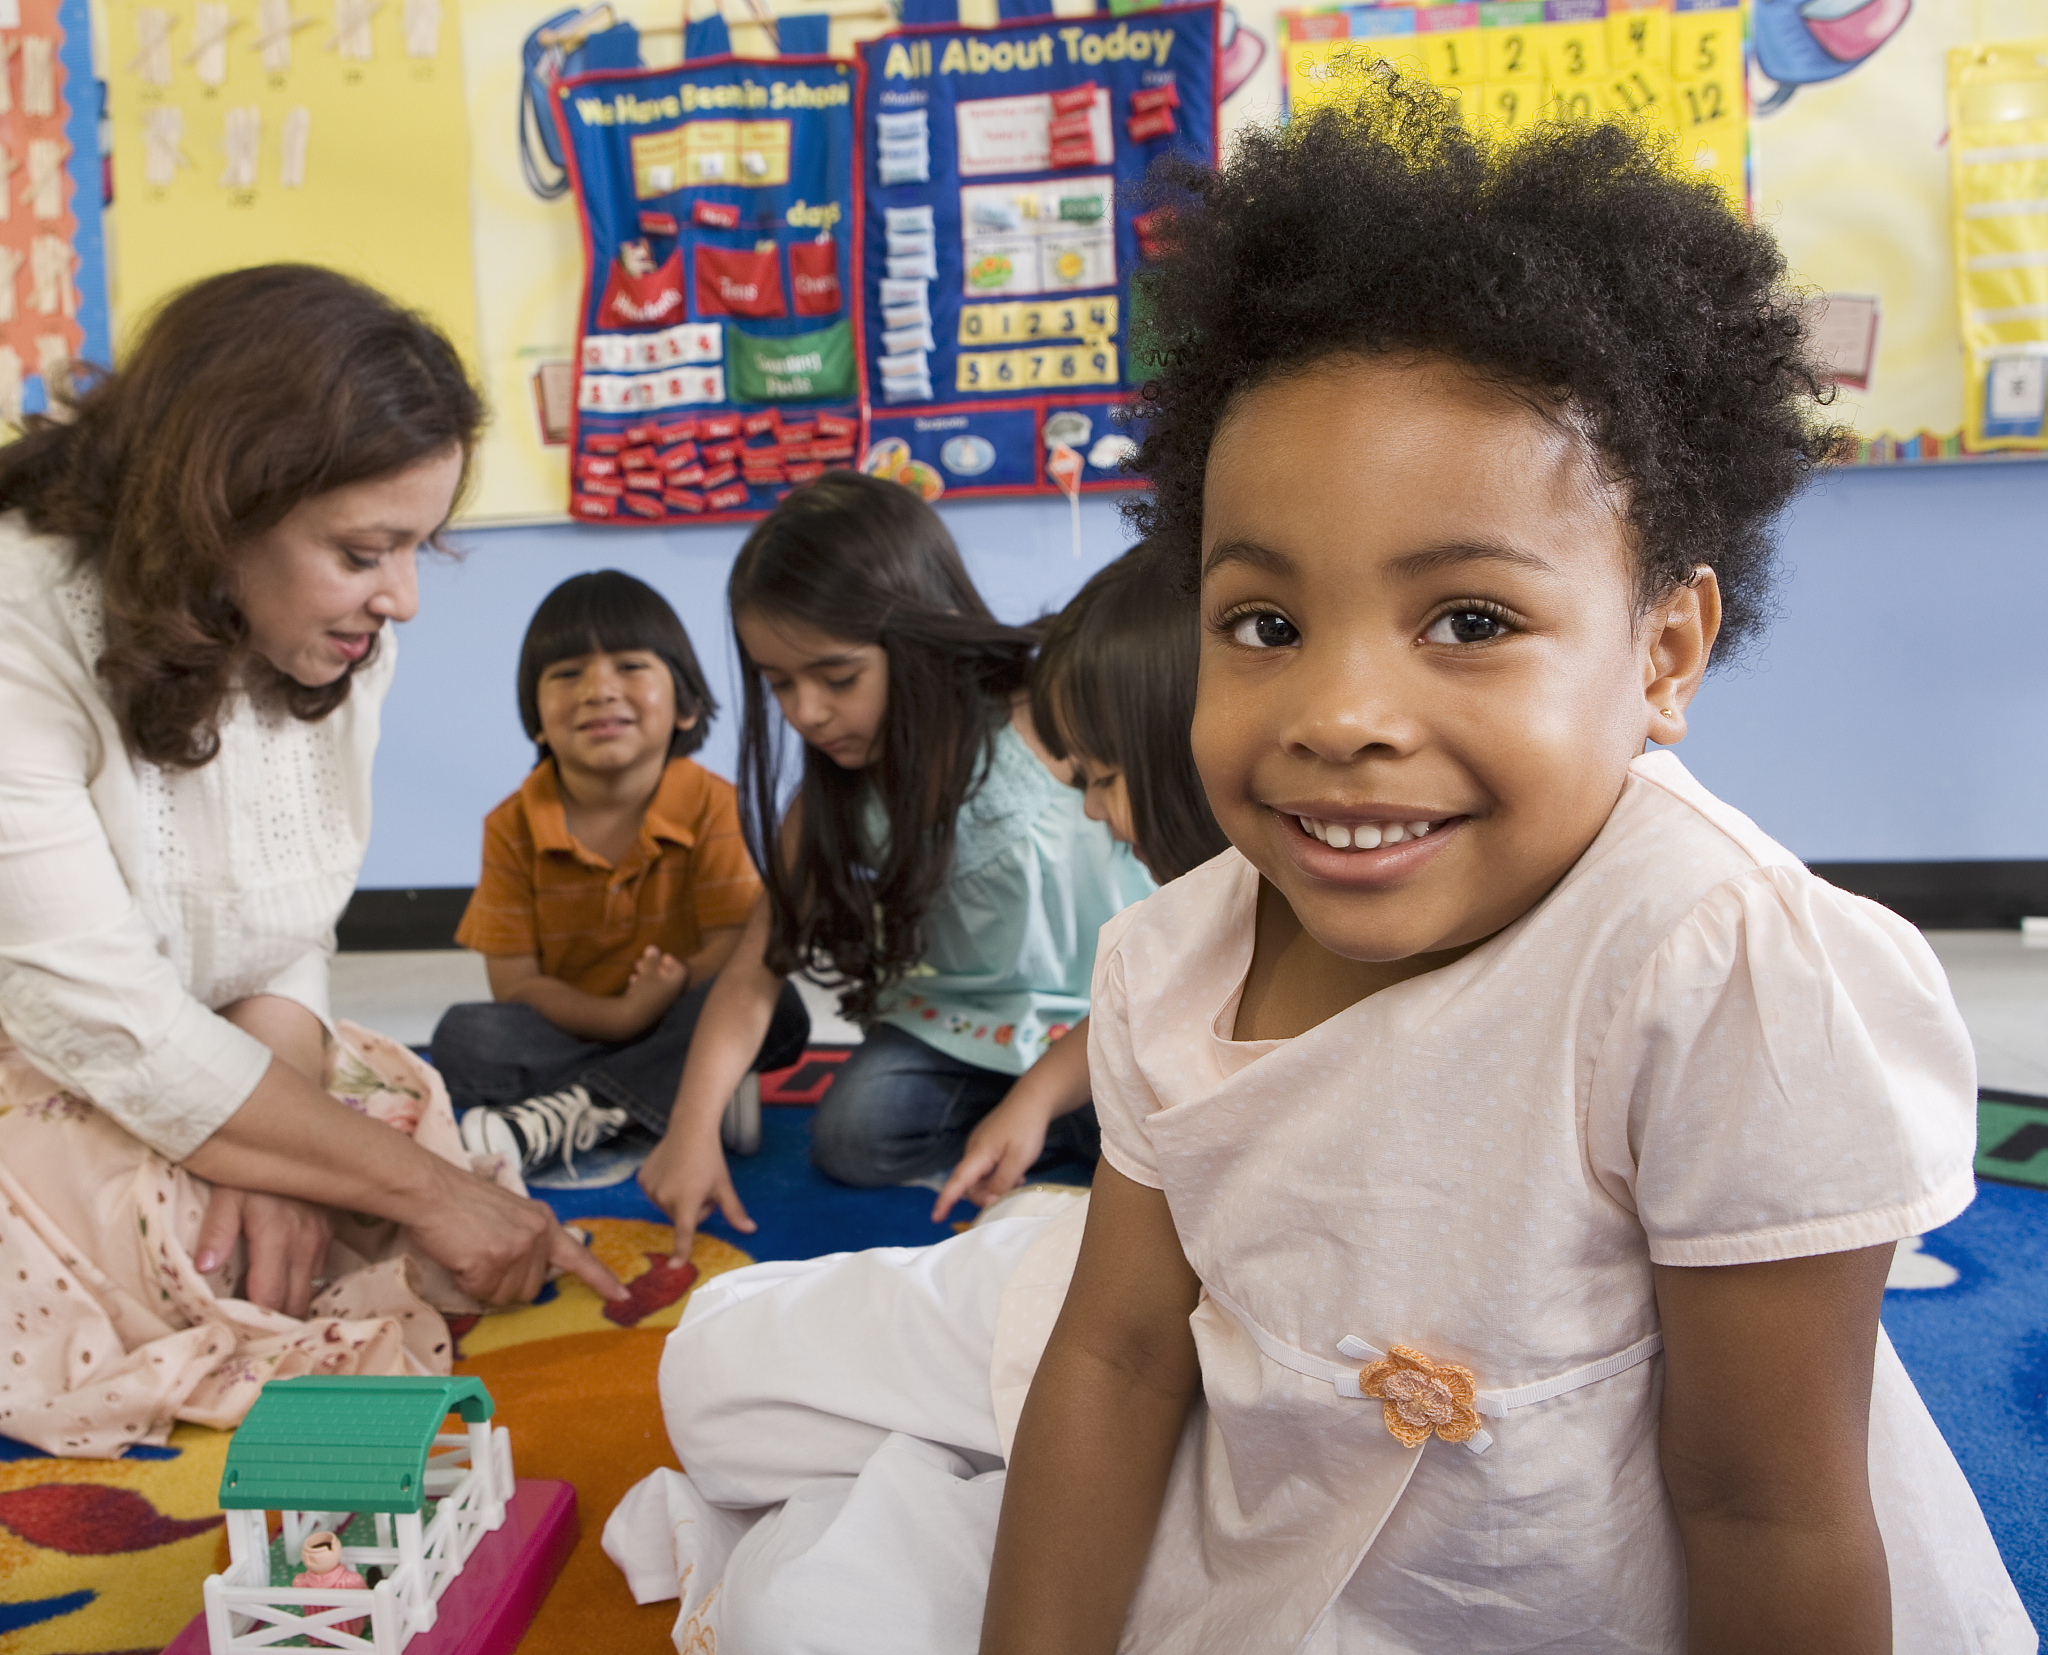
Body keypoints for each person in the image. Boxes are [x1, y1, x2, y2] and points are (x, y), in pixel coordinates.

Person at [603, 88, 2033, 1653]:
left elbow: (1771, 1514)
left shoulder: (1721, 970)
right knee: (812, 1590)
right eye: (1265, 624)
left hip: (1563, 1599)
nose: (1339, 715)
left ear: (1666, 650)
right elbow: (1122, 1360)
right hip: (1281, 1530)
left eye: (1471, 620)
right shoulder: (1174, 959)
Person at [0, 265, 620, 1459]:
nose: (402, 598)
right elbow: (102, 1015)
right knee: (203, 1229)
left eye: (417, 549)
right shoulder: (24, 625)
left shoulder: (325, 630)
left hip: (189, 1039)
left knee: (382, 1119)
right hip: (45, 1044)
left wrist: (275, 1135)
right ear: (218, 512)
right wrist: (411, 1186)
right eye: (365, 549)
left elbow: (284, 922)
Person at [634, 471, 1155, 1250]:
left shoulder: (1051, 716)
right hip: (962, 1035)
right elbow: (750, 977)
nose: (807, 712)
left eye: (838, 677)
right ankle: (1047, 1131)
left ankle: (1046, 1125)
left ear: (917, 634)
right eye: (779, 683)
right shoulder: (827, 807)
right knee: (852, 1135)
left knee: (1172, 1119)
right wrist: (689, 1129)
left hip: (1106, 1020)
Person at [430, 570, 808, 1178]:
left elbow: (732, 950)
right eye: (567, 673)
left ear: (685, 705)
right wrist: (621, 1017)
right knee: (464, 1039)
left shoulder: (713, 805)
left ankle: (578, 1110)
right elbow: (517, 985)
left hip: (685, 1011)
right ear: (536, 718)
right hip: (573, 1027)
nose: (599, 690)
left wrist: (666, 992)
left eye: (630, 666)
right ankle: (655, 1099)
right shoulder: (512, 825)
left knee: (780, 1011)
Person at [927, 541, 1227, 1218]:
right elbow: (1130, 1008)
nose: (1091, 809)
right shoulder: (1194, 911)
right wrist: (1029, 1102)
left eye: (1105, 779)